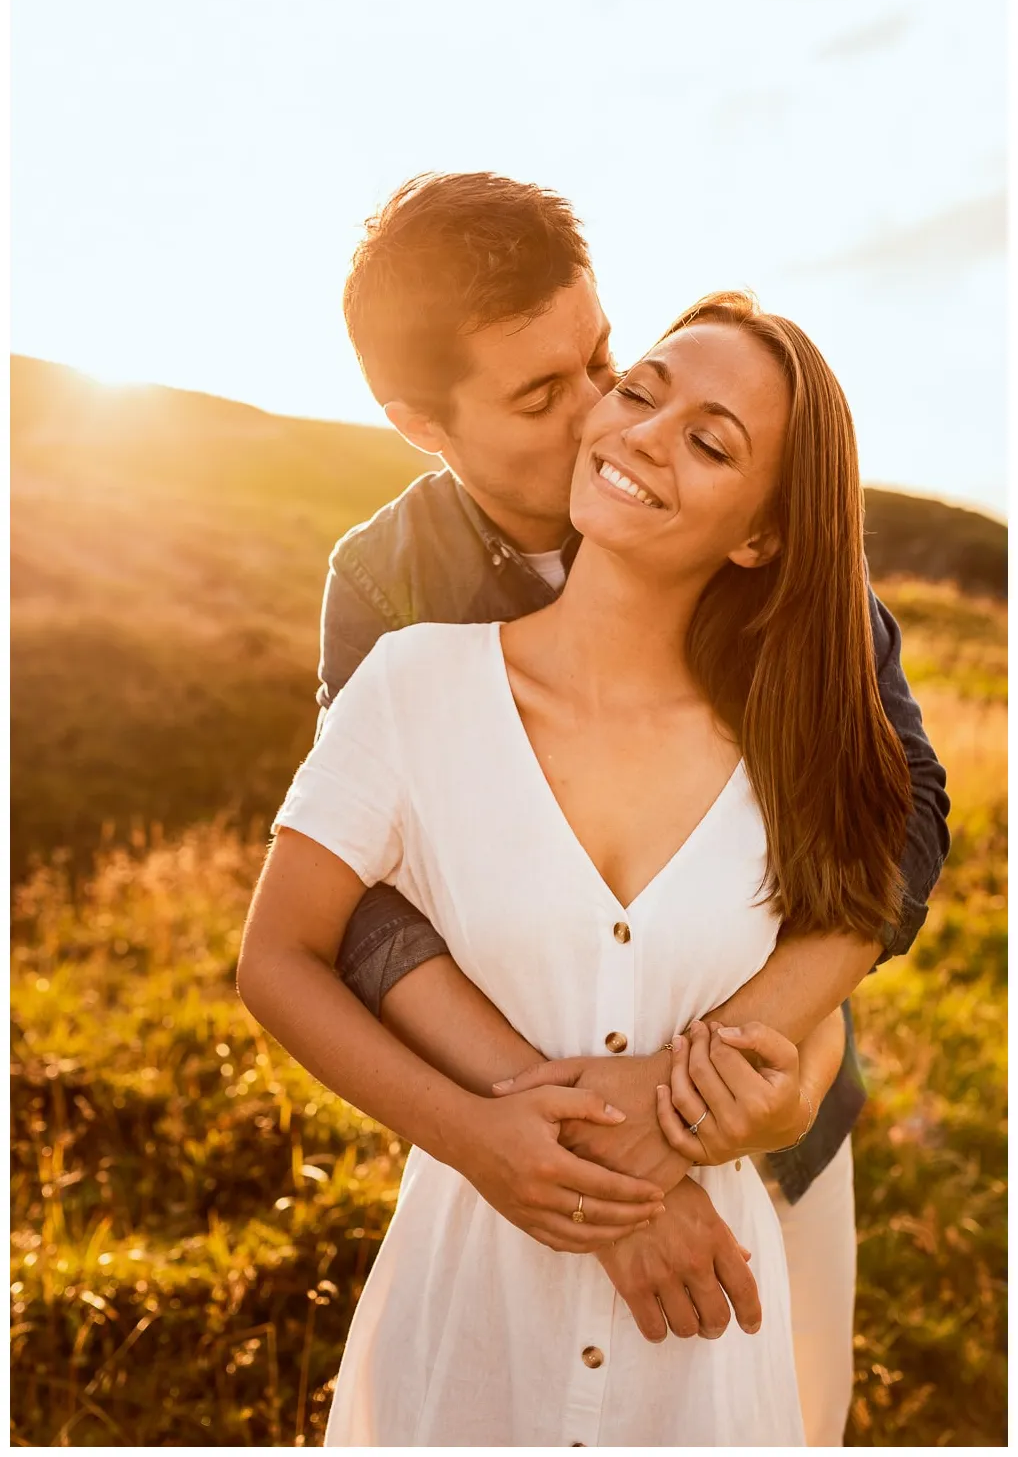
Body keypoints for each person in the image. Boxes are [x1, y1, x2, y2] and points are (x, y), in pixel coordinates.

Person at [239, 281, 947, 1441]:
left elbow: (873, 872)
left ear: (762, 531)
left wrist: (783, 1077)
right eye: (627, 393)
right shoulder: (407, 641)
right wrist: (504, 1140)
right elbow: (310, 936)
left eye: (605, 366)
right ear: (429, 420)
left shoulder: (797, 720)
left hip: (731, 1266)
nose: (606, 423)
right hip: (476, 1257)